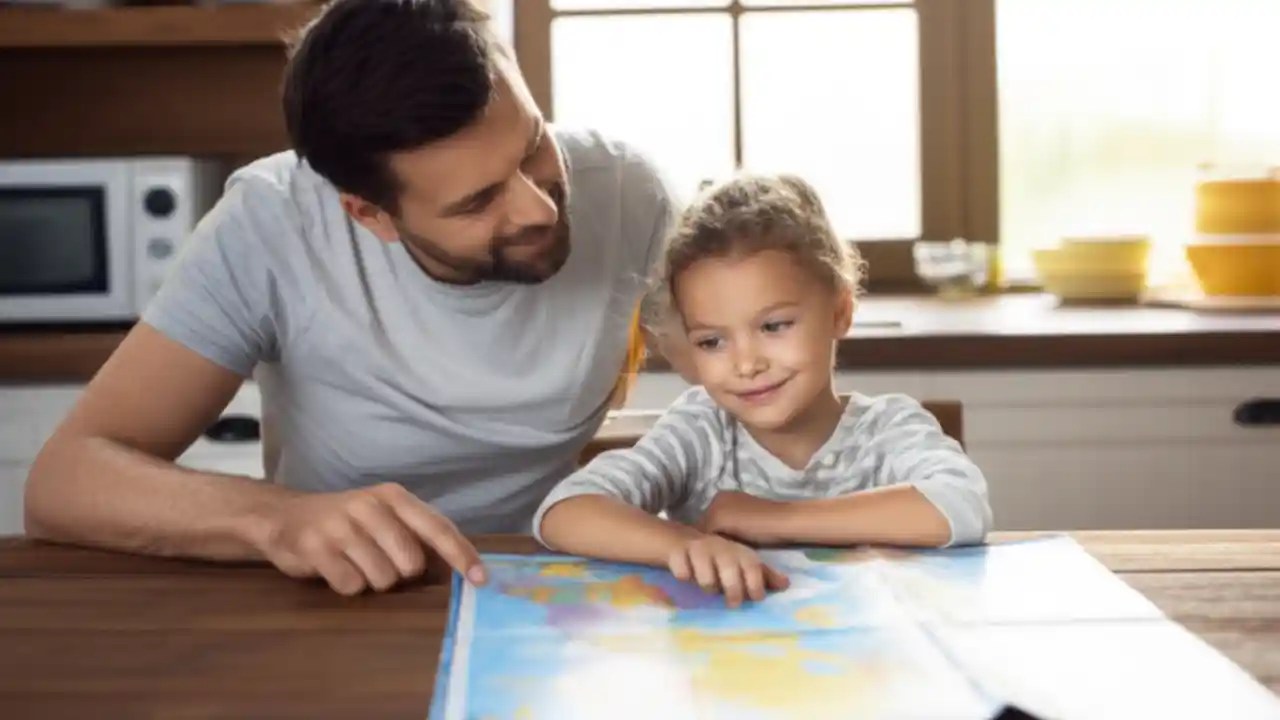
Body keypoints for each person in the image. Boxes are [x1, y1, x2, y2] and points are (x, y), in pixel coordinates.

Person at [23, 0, 676, 597]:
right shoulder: (271, 223)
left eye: (533, 144)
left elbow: (744, 384)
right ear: (370, 215)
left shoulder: (629, 192)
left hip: (547, 582)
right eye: (478, 201)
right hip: (343, 596)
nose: (538, 208)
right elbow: (64, 483)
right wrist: (277, 519)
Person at [535, 174, 994, 608]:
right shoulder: (701, 431)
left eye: (774, 326)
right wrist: (686, 544)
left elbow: (962, 506)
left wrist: (771, 518)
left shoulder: (887, 429)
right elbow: (564, 512)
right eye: (712, 341)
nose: (747, 363)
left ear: (840, 312)